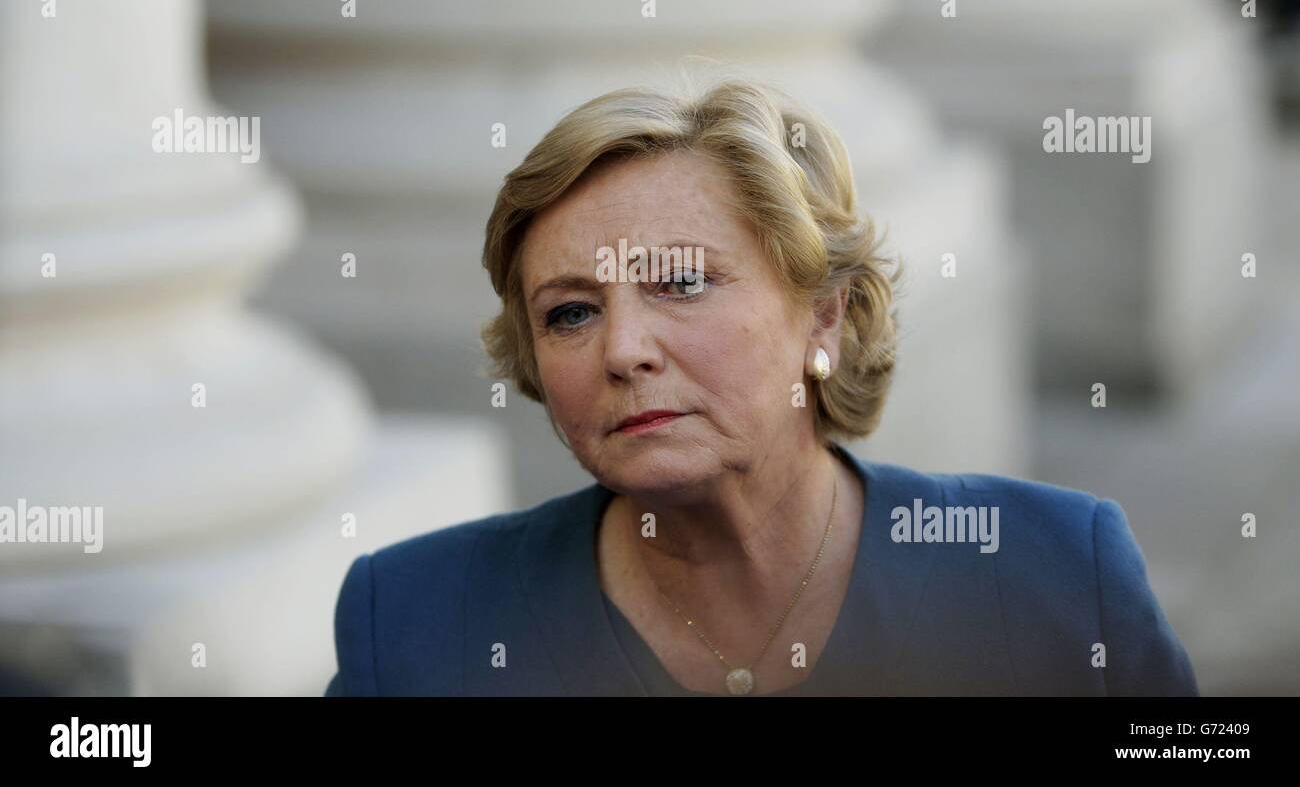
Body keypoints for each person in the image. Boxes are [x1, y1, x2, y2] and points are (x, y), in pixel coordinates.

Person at [324, 74, 1198, 696]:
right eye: (570, 314)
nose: (623, 349)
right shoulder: (413, 627)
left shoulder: (1051, 576)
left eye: (682, 283)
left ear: (822, 316)